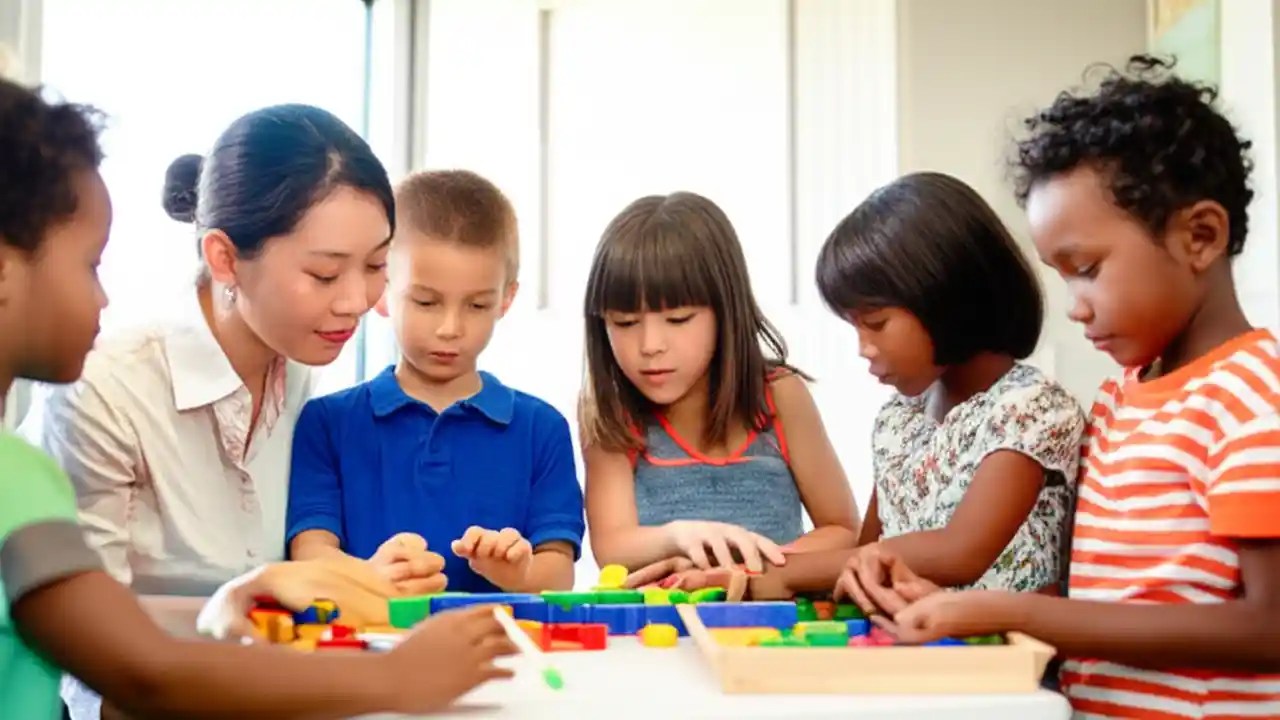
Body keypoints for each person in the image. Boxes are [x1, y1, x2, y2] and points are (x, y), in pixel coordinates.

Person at [0, 75, 514, 720]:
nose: (357, 301)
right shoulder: (104, 388)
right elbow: (98, 660)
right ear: (224, 258)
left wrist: (348, 580)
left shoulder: (300, 373)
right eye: (324, 273)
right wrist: (265, 598)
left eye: (377, 266)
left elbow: (269, 597)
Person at [844, 55, 1280, 718]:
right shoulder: (1120, 398)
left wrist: (1010, 609)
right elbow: (1114, 606)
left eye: (1087, 269)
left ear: (1201, 236)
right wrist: (955, 605)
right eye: (1061, 275)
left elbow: (1269, 628)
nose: (1075, 305)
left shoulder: (1253, 400)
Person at [625, 174, 1085, 599]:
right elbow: (859, 560)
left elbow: (958, 553)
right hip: (917, 661)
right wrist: (728, 575)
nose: (863, 347)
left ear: (947, 298)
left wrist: (771, 576)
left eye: (876, 323)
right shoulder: (899, 421)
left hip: (1010, 673)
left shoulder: (1031, 408)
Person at [287, 169, 585, 593]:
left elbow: (557, 574)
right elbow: (309, 551)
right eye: (426, 302)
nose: (450, 328)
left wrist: (517, 574)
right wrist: (370, 577)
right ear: (384, 290)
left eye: (477, 305)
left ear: (506, 299)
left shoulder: (541, 429)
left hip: (498, 650)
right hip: (364, 652)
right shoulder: (327, 423)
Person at [581, 191, 860, 574]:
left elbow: (842, 529)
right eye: (624, 323)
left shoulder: (781, 395)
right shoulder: (608, 408)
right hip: (662, 628)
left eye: (678, 319)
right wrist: (679, 537)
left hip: (774, 625)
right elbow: (613, 545)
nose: (650, 346)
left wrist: (750, 568)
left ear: (726, 311)